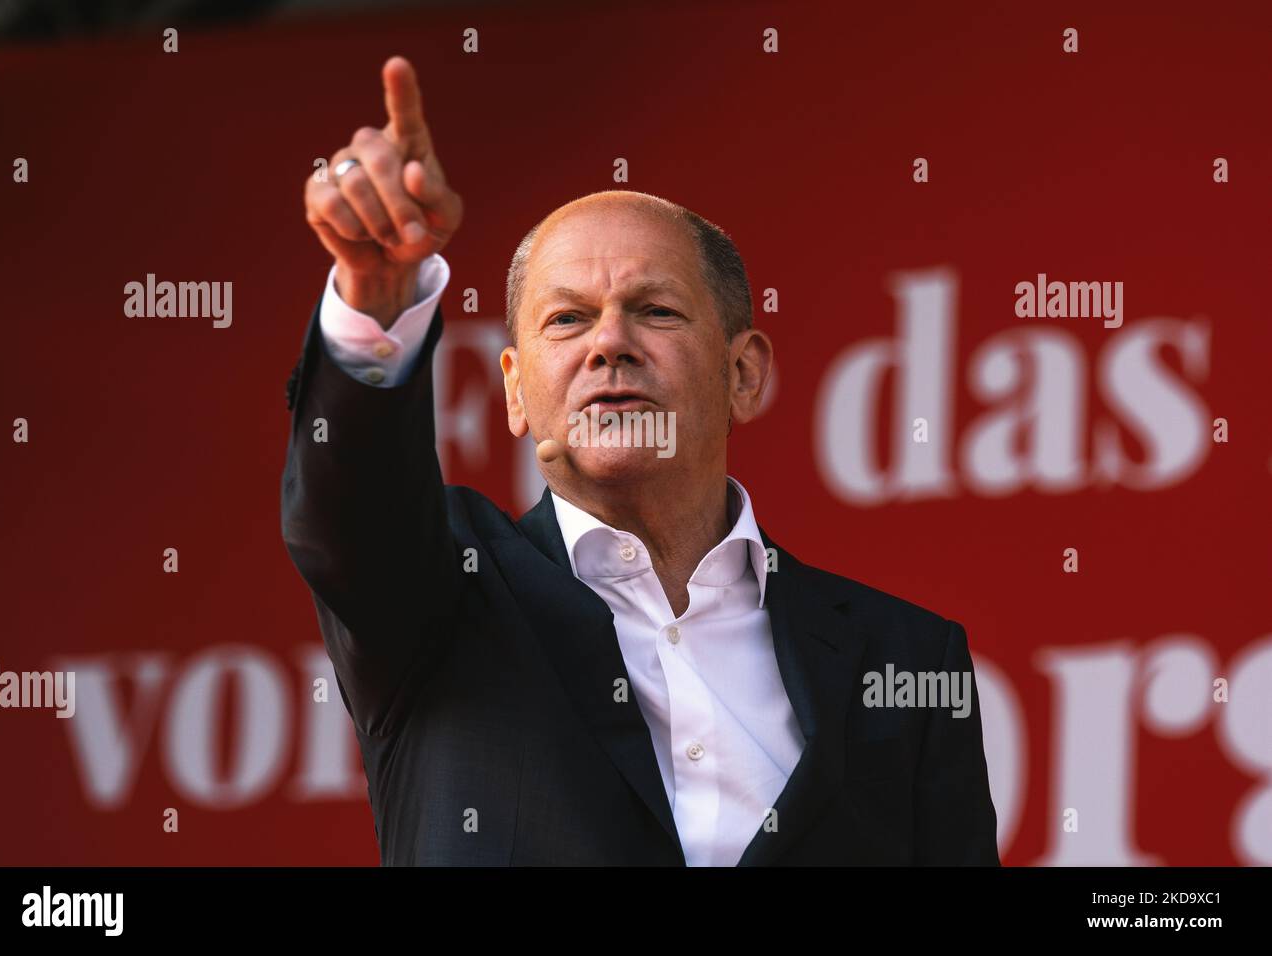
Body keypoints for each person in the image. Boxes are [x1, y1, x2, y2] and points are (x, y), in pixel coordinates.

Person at [281, 55, 1000, 866]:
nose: (609, 344)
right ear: (514, 391)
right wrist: (377, 291)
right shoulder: (444, 596)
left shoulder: (905, 659)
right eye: (567, 321)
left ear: (744, 373)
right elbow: (349, 508)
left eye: (655, 310)